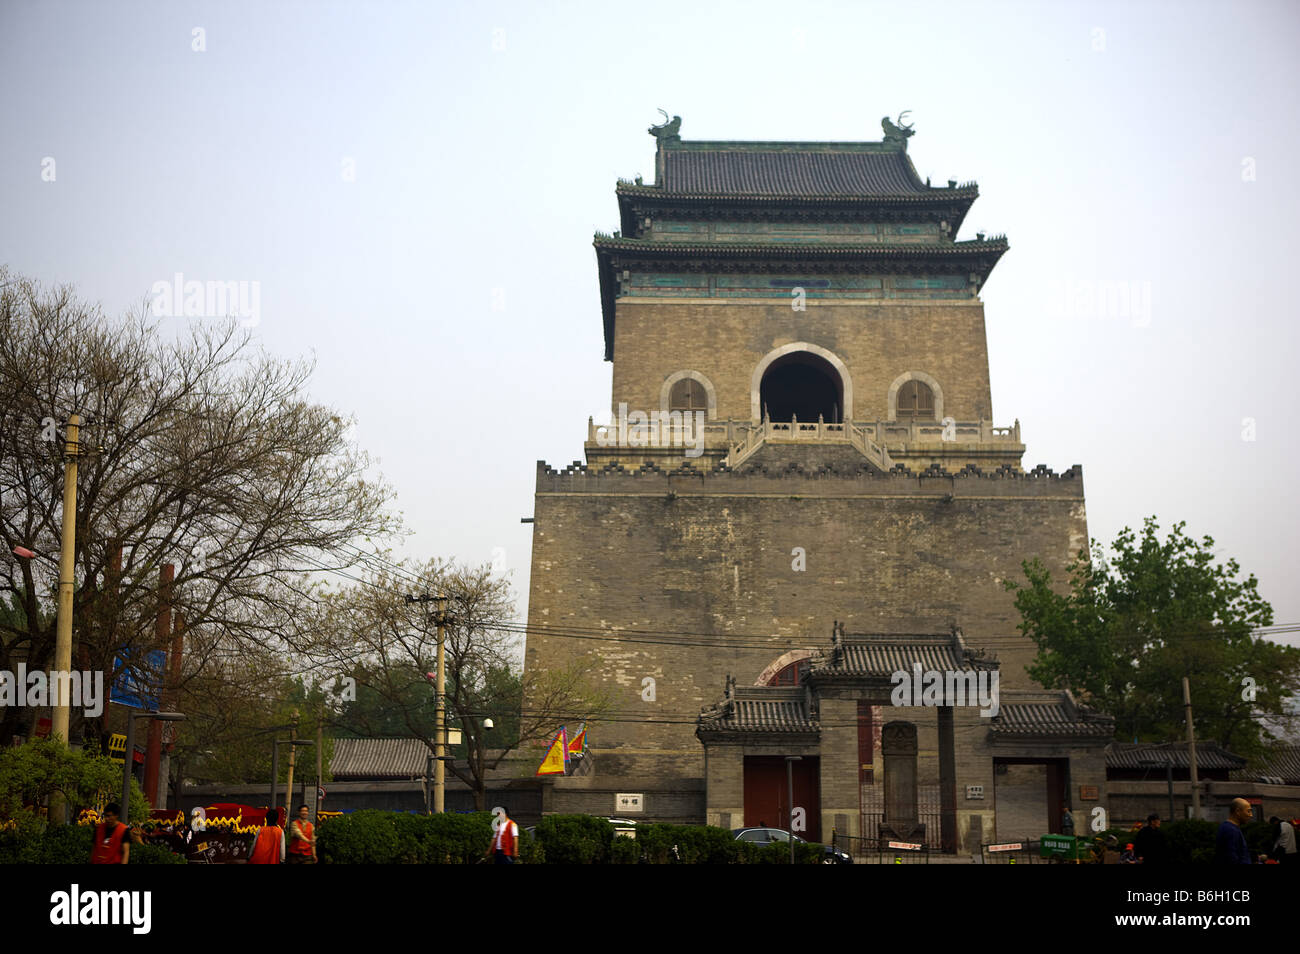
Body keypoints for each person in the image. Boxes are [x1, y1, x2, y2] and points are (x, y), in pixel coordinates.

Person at [1215, 798, 1253, 864]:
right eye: (1248, 811)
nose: (1251, 815)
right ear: (1238, 811)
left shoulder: (1229, 828)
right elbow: (1231, 858)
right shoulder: (1230, 830)